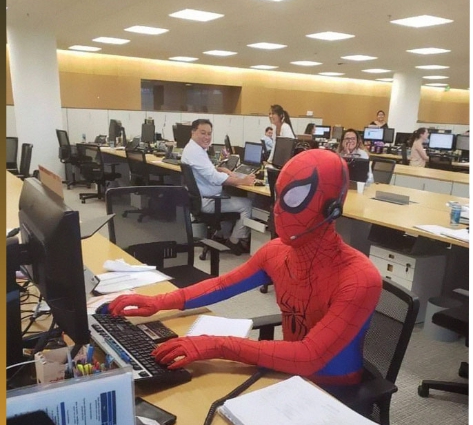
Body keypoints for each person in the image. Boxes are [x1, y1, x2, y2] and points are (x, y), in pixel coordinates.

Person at [103, 149, 384, 385]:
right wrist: (157, 302)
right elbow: (222, 284)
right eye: (279, 197)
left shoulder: (359, 277)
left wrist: (215, 345)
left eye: (294, 200)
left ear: (332, 208)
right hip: (286, 375)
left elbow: (310, 357)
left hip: (334, 392)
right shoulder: (278, 252)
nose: (278, 211)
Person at [180, 119, 256, 255]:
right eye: (203, 133)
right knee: (247, 204)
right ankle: (235, 241)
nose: (207, 137)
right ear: (193, 132)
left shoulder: (192, 149)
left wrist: (220, 169)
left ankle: (221, 235)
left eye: (209, 134)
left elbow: (205, 172)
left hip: (201, 199)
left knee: (233, 197)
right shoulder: (196, 152)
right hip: (209, 201)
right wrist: (242, 181)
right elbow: (214, 179)